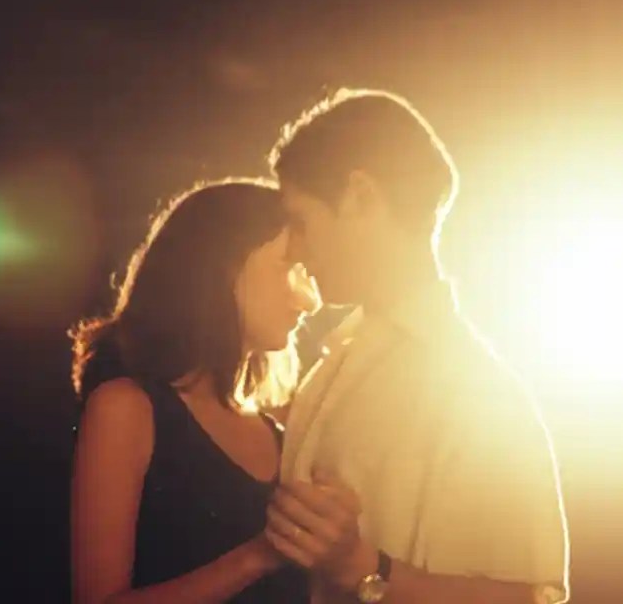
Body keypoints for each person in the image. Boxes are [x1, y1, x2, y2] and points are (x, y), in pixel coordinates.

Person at [261, 89, 571, 603]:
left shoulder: (479, 390)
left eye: (301, 221)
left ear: (361, 196)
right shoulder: (334, 365)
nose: (293, 249)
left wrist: (365, 569)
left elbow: (530, 599)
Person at [69, 178, 318, 604]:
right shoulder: (126, 409)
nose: (308, 300)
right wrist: (256, 556)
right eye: (287, 267)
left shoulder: (281, 435)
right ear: (222, 268)